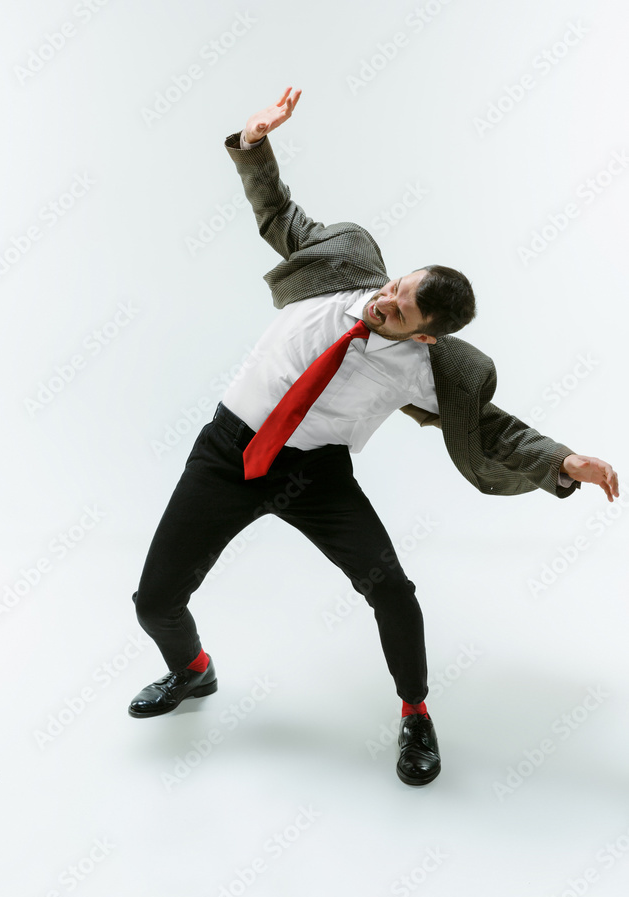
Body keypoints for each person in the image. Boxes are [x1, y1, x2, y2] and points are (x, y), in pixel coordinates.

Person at [129, 87, 619, 786]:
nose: (381, 301)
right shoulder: (346, 262)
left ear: (422, 332)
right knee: (154, 600)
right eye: (393, 288)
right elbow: (278, 215)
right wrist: (256, 142)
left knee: (392, 591)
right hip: (226, 451)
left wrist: (562, 461)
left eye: (396, 311)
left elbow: (491, 428)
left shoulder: (433, 367)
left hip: (314, 477)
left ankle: (415, 712)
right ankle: (192, 672)